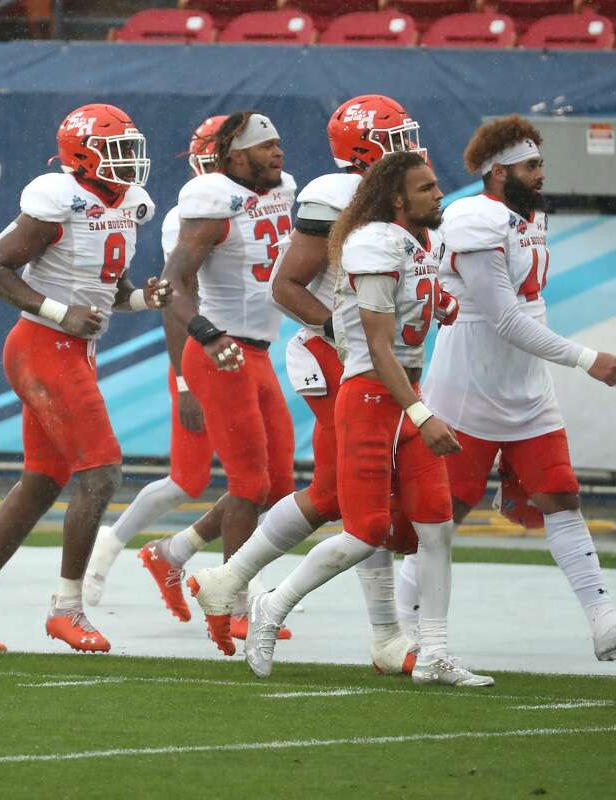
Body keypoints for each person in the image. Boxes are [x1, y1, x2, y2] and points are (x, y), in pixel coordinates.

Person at [405, 114, 616, 662]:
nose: (541, 173)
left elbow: (529, 307)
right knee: (443, 516)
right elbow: (503, 318)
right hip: (468, 390)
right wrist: (587, 358)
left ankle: (605, 624)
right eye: (531, 164)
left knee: (561, 496)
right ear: (498, 172)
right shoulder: (474, 218)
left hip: (525, 388)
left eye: (540, 162)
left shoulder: (524, 214)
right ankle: (401, 631)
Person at [187, 96, 425, 672]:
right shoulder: (335, 196)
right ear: (365, 150)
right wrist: (339, 330)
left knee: (334, 494)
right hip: (338, 359)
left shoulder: (406, 196)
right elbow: (286, 285)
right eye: (396, 138)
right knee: (370, 492)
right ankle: (390, 635)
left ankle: (229, 576)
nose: (410, 147)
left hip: (378, 359)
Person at [243, 151, 492, 687]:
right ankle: (272, 604)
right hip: (374, 398)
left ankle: (434, 652)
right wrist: (421, 414)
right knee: (367, 531)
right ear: (397, 199)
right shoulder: (372, 242)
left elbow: (414, 314)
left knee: (436, 526)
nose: (438, 195)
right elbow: (378, 347)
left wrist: (440, 304)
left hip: (404, 393)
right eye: (426, 188)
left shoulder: (415, 242)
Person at [0, 103, 169, 653]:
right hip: (43, 346)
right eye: (117, 150)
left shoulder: (129, 203)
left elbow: (109, 291)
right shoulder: (56, 199)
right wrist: (60, 313)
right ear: (83, 157)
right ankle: (67, 609)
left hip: (72, 349)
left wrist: (142, 299)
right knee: (103, 470)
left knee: (44, 480)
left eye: (131, 148)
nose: (130, 161)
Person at [152, 112, 297, 632]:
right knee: (249, 483)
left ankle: (177, 552)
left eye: (279, 143)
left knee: (279, 486)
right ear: (235, 157)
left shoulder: (284, 190)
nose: (278, 154)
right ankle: (234, 602)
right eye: (265, 147)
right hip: (222, 352)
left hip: (258, 352)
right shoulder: (211, 201)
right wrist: (207, 335)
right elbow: (172, 283)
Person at [81, 115, 223, 608]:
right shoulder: (186, 213)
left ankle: (208, 573)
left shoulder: (261, 200)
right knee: (191, 479)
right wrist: (184, 382)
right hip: (203, 355)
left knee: (261, 481)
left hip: (243, 353)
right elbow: (174, 299)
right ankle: (110, 546)